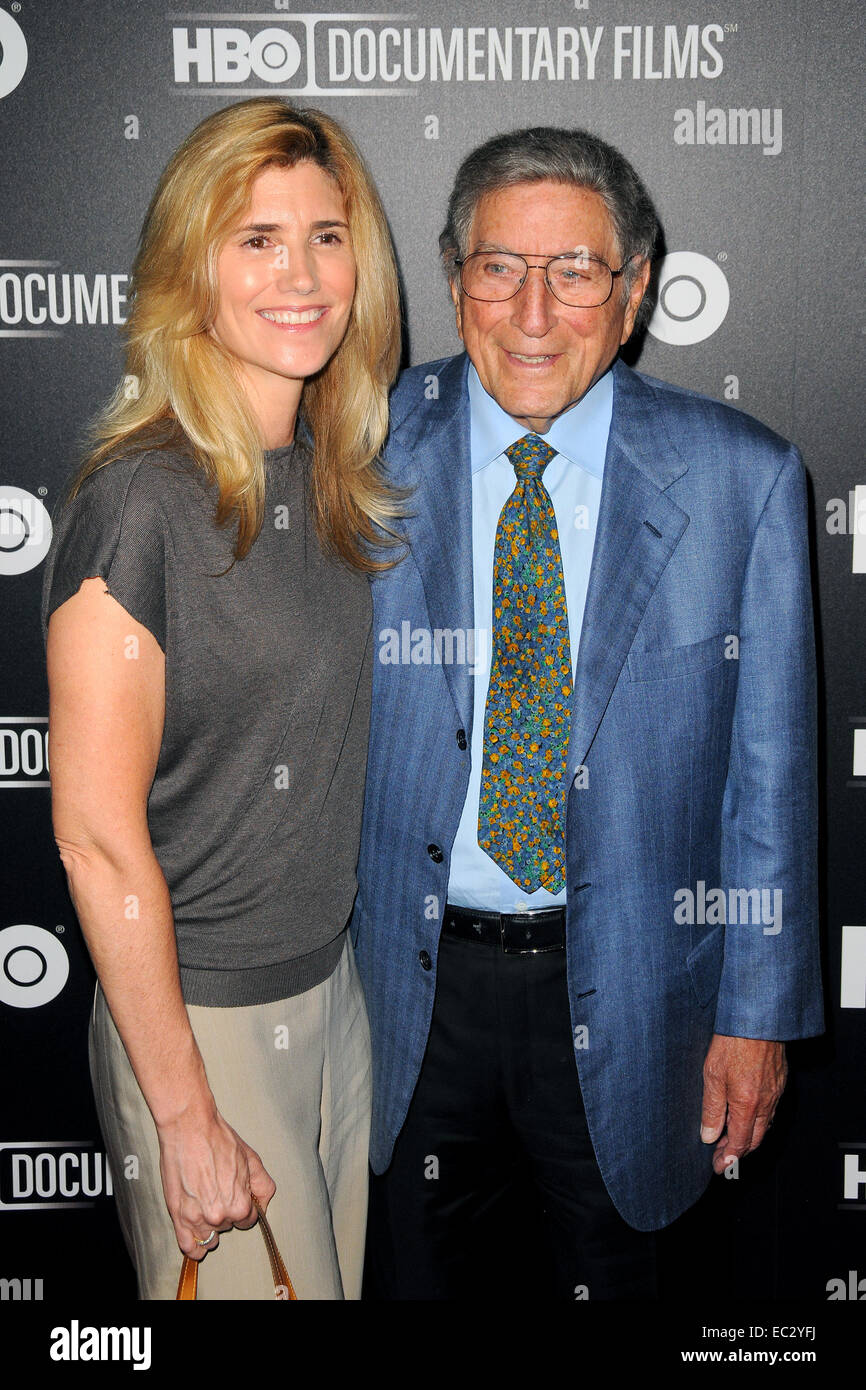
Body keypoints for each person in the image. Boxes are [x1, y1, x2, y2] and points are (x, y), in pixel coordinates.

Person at [352, 126, 823, 1299]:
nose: (530, 311)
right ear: (453, 276)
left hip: (636, 995)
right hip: (404, 997)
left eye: (574, 273)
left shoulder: (740, 480)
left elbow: (767, 775)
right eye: (499, 266)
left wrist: (755, 1017)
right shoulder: (353, 453)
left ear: (633, 294)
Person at [41, 97, 401, 1300]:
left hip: (330, 995)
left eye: (326, 235)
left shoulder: (336, 474)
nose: (299, 274)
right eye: (255, 239)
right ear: (189, 267)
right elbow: (94, 837)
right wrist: (184, 1110)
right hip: (202, 1022)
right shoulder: (141, 499)